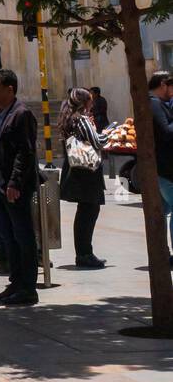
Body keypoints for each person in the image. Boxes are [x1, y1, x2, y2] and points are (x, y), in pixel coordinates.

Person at [0, 69, 41, 305]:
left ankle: (28, 287)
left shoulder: (21, 114)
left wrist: (15, 182)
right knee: (8, 236)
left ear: (10, 89)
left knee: (23, 236)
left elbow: (24, 152)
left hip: (12, 188)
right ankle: (15, 283)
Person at [58, 88, 106, 269]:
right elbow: (98, 142)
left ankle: (84, 252)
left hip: (78, 170)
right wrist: (113, 133)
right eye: (90, 100)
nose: (92, 103)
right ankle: (85, 254)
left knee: (84, 212)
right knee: (89, 211)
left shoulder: (69, 118)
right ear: (85, 102)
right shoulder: (82, 119)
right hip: (87, 171)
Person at [149, 72, 173, 268]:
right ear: (164, 84)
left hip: (162, 168)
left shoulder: (155, 103)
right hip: (166, 169)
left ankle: (162, 251)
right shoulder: (155, 104)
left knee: (164, 211)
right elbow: (165, 132)